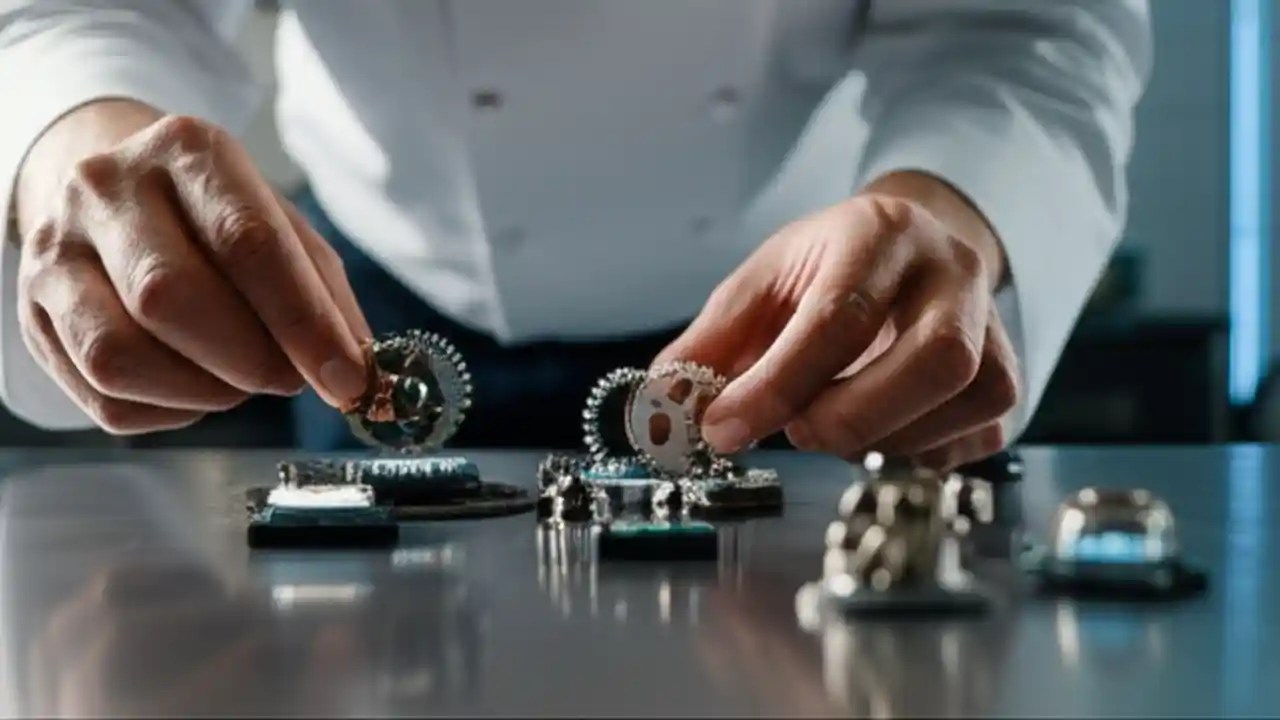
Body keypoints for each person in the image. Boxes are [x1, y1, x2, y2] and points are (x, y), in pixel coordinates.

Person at [0, 2, 1151, 469]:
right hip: (367, 324)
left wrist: (952, 207)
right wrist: (74, 132)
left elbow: (1017, 26)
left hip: (801, 333)